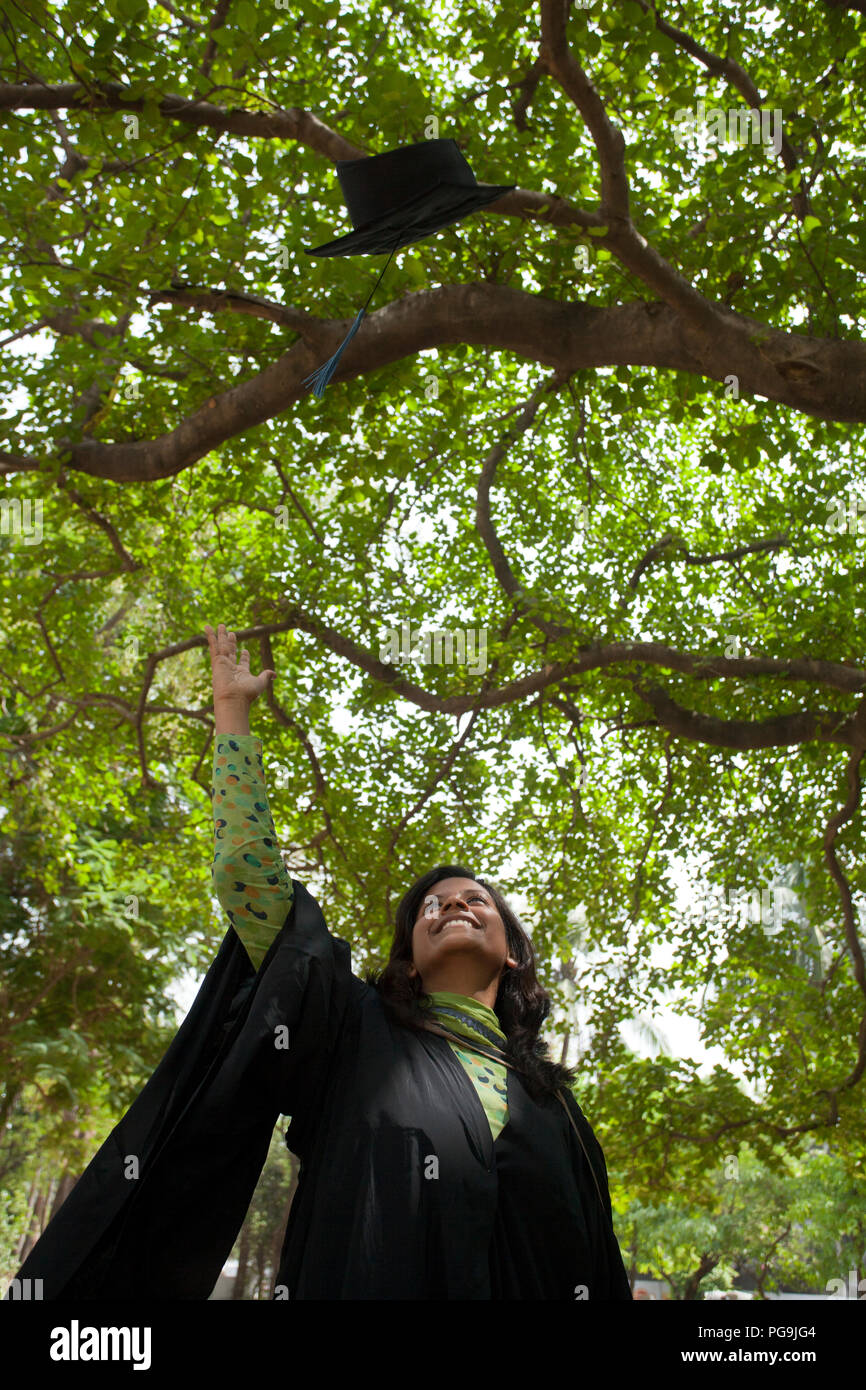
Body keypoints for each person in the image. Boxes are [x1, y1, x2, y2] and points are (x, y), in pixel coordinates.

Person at [9, 624, 632, 1302]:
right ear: (409, 962)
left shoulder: (557, 1107)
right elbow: (255, 888)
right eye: (431, 905)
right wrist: (232, 716)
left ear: (511, 951)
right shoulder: (354, 1031)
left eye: (474, 899)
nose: (450, 904)